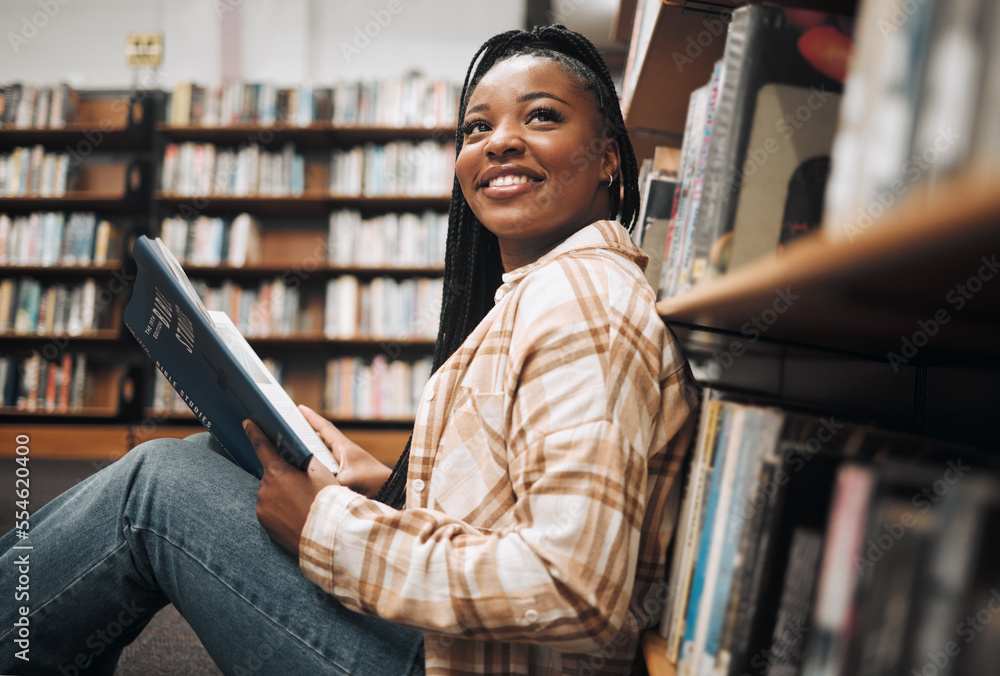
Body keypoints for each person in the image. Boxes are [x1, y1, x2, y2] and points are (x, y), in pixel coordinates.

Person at [1, 24, 696, 675]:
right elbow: (520, 513)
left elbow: (573, 586)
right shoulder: (550, 290)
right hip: (454, 647)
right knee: (194, 461)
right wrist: (387, 492)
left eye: (541, 116)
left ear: (609, 155)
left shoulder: (581, 304)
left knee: (154, 488)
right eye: (477, 126)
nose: (499, 142)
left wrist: (330, 527)